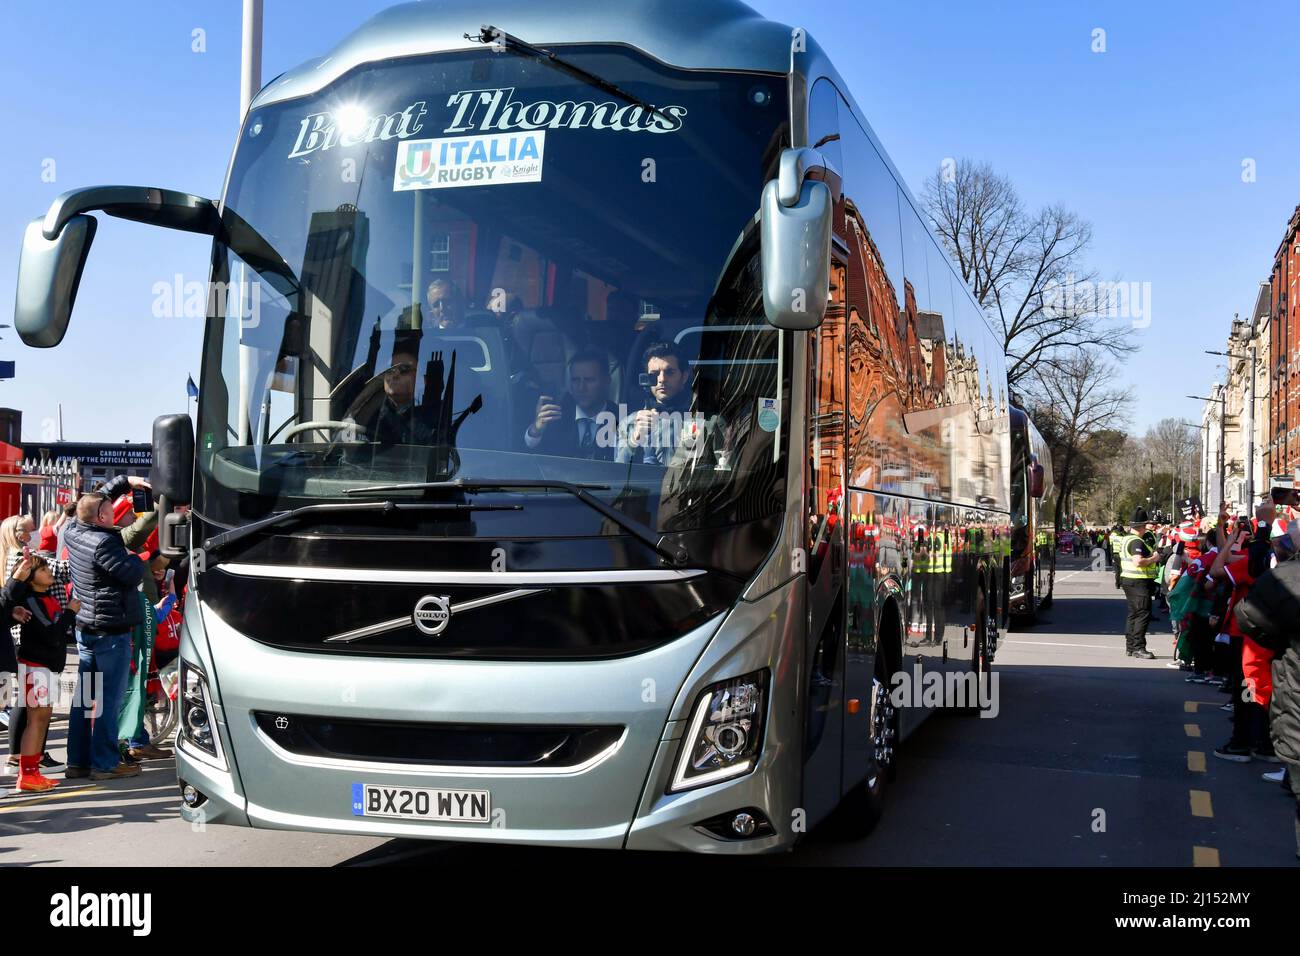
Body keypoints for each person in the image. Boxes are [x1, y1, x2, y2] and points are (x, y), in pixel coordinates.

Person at [63, 477, 151, 781]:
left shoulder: (72, 530)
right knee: (108, 701)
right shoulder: (104, 543)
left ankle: (77, 761)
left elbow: (97, 497)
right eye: (110, 510)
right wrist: (138, 558)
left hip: (86, 626)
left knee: (84, 699)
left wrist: (126, 482)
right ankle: (105, 763)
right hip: (110, 630)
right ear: (101, 517)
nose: (114, 512)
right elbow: (130, 574)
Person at [4, 554, 78, 792]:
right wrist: (69, 613)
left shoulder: (47, 596)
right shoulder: (32, 600)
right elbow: (51, 635)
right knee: (35, 720)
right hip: (35, 665)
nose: (50, 573)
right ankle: (26, 775)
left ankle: (33, 771)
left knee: (43, 719)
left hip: (47, 666)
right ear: (31, 578)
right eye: (44, 570)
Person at [523, 349, 619, 460]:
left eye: (589, 380)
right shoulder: (555, 416)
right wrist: (536, 430)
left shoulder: (621, 419)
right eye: (575, 380)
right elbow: (527, 458)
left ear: (606, 381)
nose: (581, 387)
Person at [617, 342, 697, 465]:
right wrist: (634, 440)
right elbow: (616, 474)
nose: (662, 379)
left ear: (684, 376)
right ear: (647, 378)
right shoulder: (629, 424)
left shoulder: (706, 423)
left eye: (670, 372)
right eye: (654, 374)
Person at [1116, 508, 1161, 658]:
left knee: (1134, 614)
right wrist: (1153, 559)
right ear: (1142, 526)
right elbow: (1138, 561)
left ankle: (1130, 646)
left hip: (1129, 581)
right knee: (1142, 614)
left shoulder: (1127, 539)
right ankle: (1138, 648)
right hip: (1138, 582)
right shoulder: (1136, 541)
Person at [372, 340, 433, 446]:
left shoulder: (432, 421)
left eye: (404, 370)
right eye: (390, 370)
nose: (394, 376)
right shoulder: (368, 413)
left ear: (421, 381)